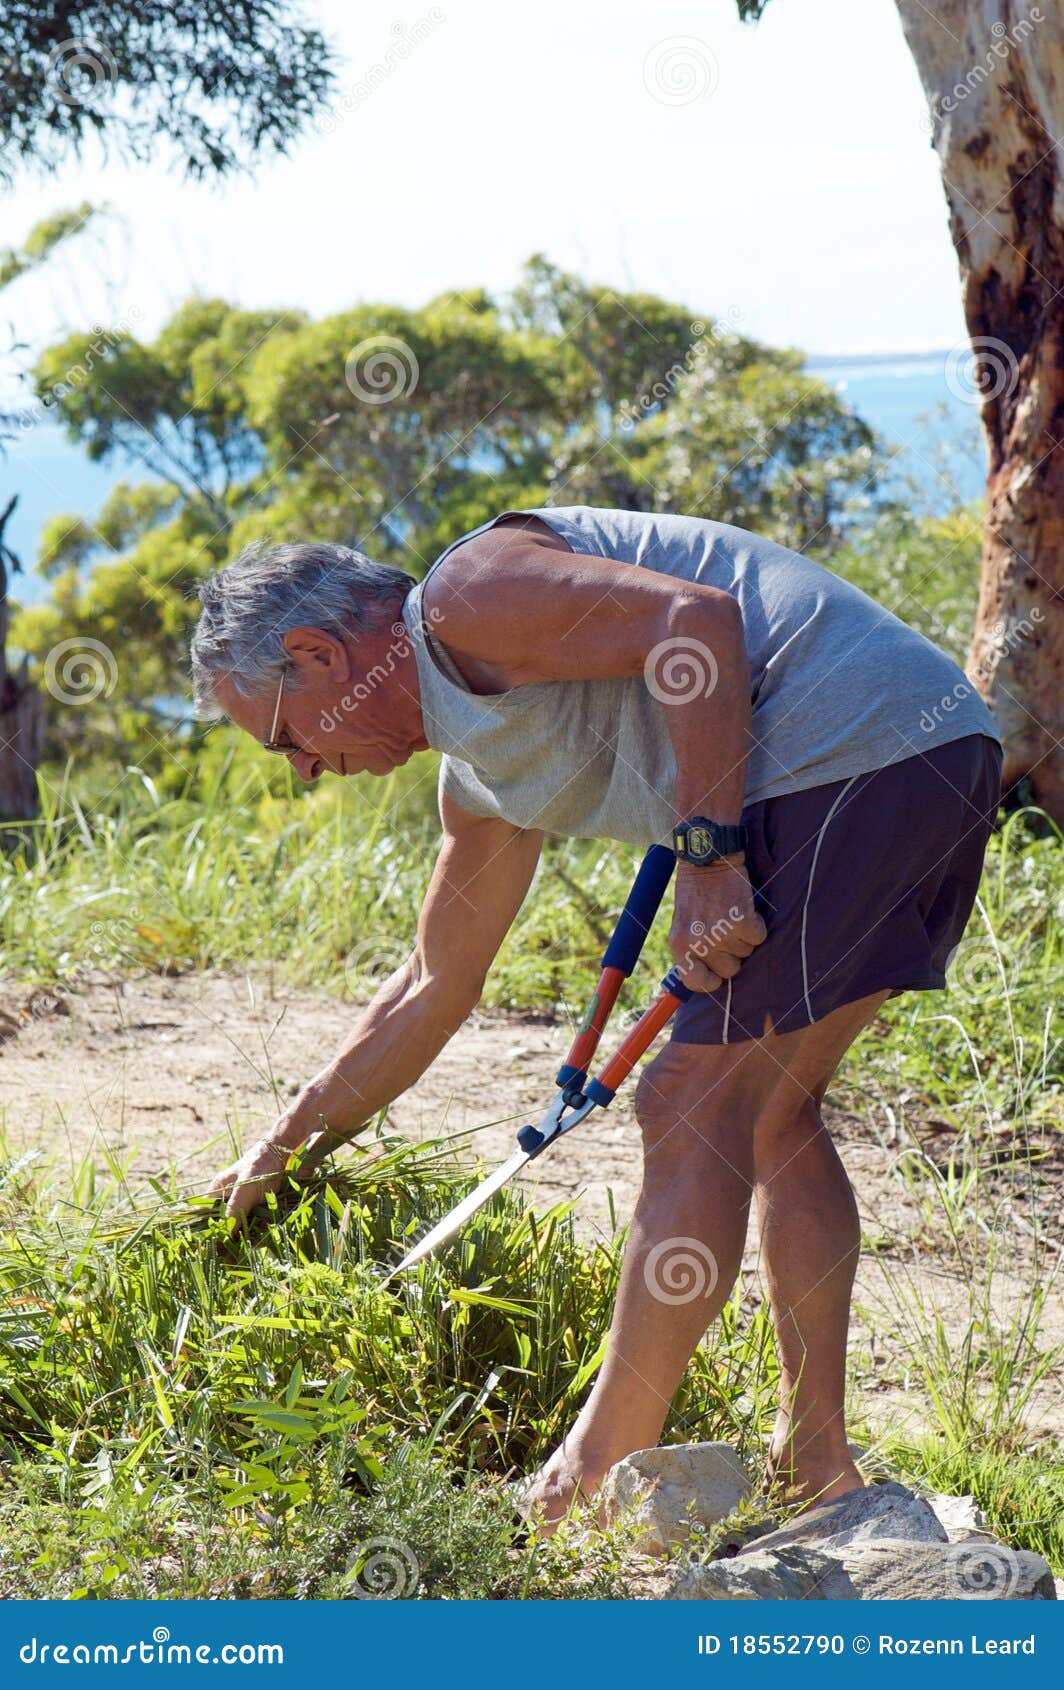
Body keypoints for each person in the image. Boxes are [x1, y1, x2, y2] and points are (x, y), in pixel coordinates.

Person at [191, 504, 1003, 1528]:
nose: (303, 771)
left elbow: (694, 623)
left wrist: (707, 858)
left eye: (283, 740)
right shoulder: (479, 774)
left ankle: (592, 1466)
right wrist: (286, 1143)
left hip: (860, 747)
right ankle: (815, 1462)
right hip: (921, 755)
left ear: (314, 654)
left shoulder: (464, 597)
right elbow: (432, 984)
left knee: (686, 1100)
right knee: (769, 1111)